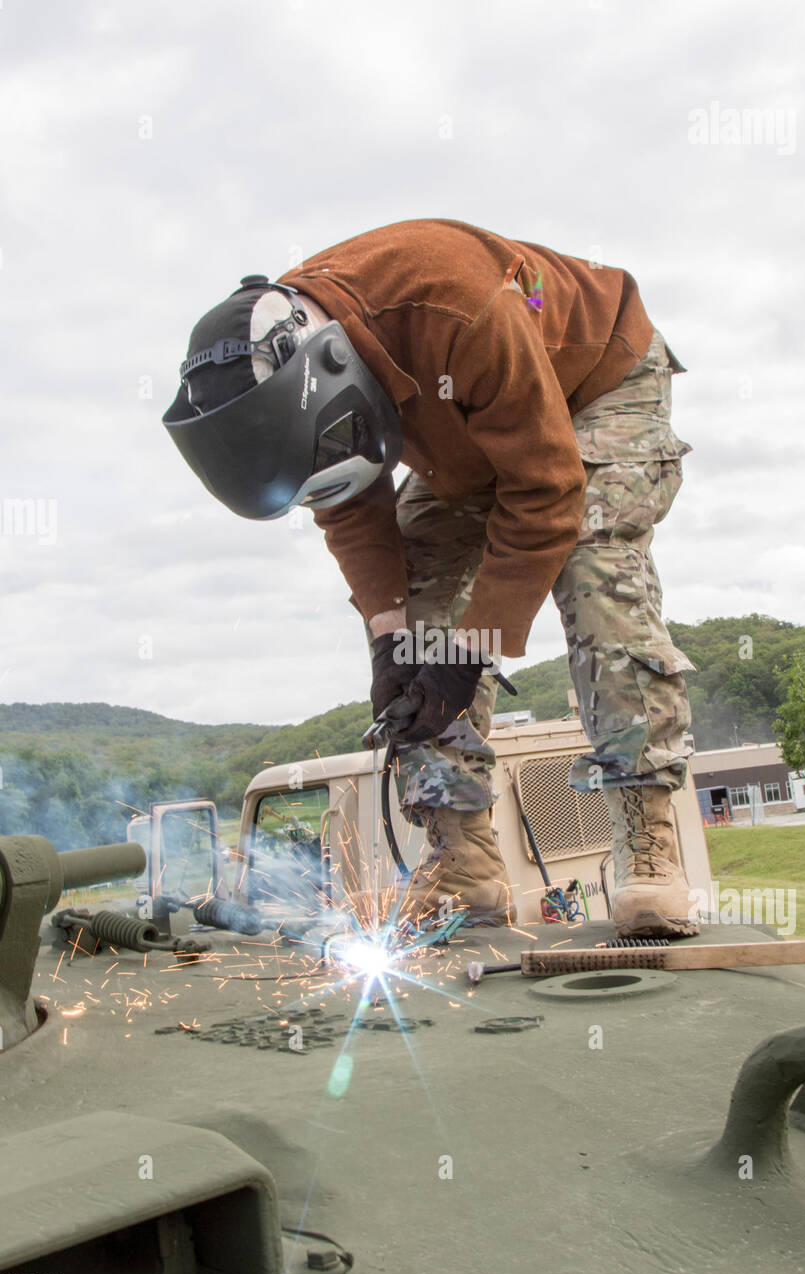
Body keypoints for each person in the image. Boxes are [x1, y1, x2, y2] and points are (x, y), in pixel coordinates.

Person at [163, 218, 699, 938]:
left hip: (596, 387)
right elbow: (352, 510)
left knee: (594, 559)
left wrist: (470, 652)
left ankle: (647, 835)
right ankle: (462, 862)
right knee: (418, 626)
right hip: (478, 426)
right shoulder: (318, 385)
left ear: (326, 369)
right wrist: (392, 644)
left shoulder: (457, 304)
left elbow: (544, 493)